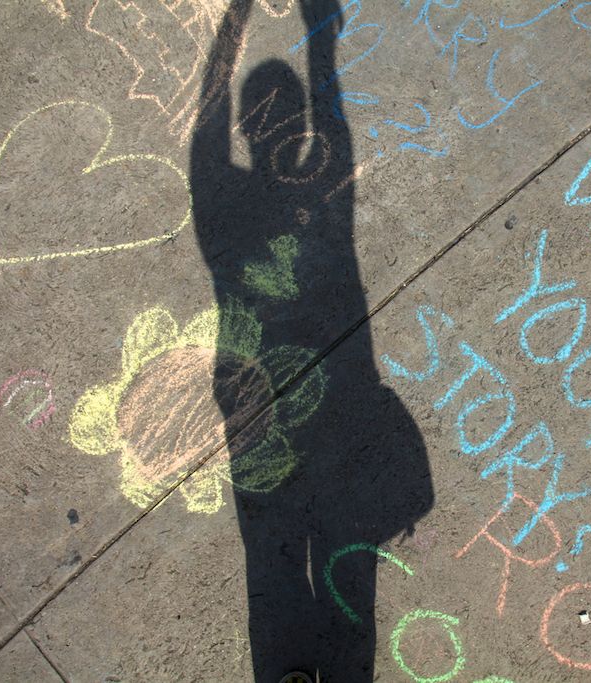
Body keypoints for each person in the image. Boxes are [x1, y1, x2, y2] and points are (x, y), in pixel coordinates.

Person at [190, 1, 435, 680]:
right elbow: (327, 117)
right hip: (320, 394)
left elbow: (205, 128)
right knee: (342, 566)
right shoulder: (319, 181)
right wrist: (317, 35)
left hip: (254, 398)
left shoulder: (222, 202)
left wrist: (237, 21)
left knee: (275, 560)